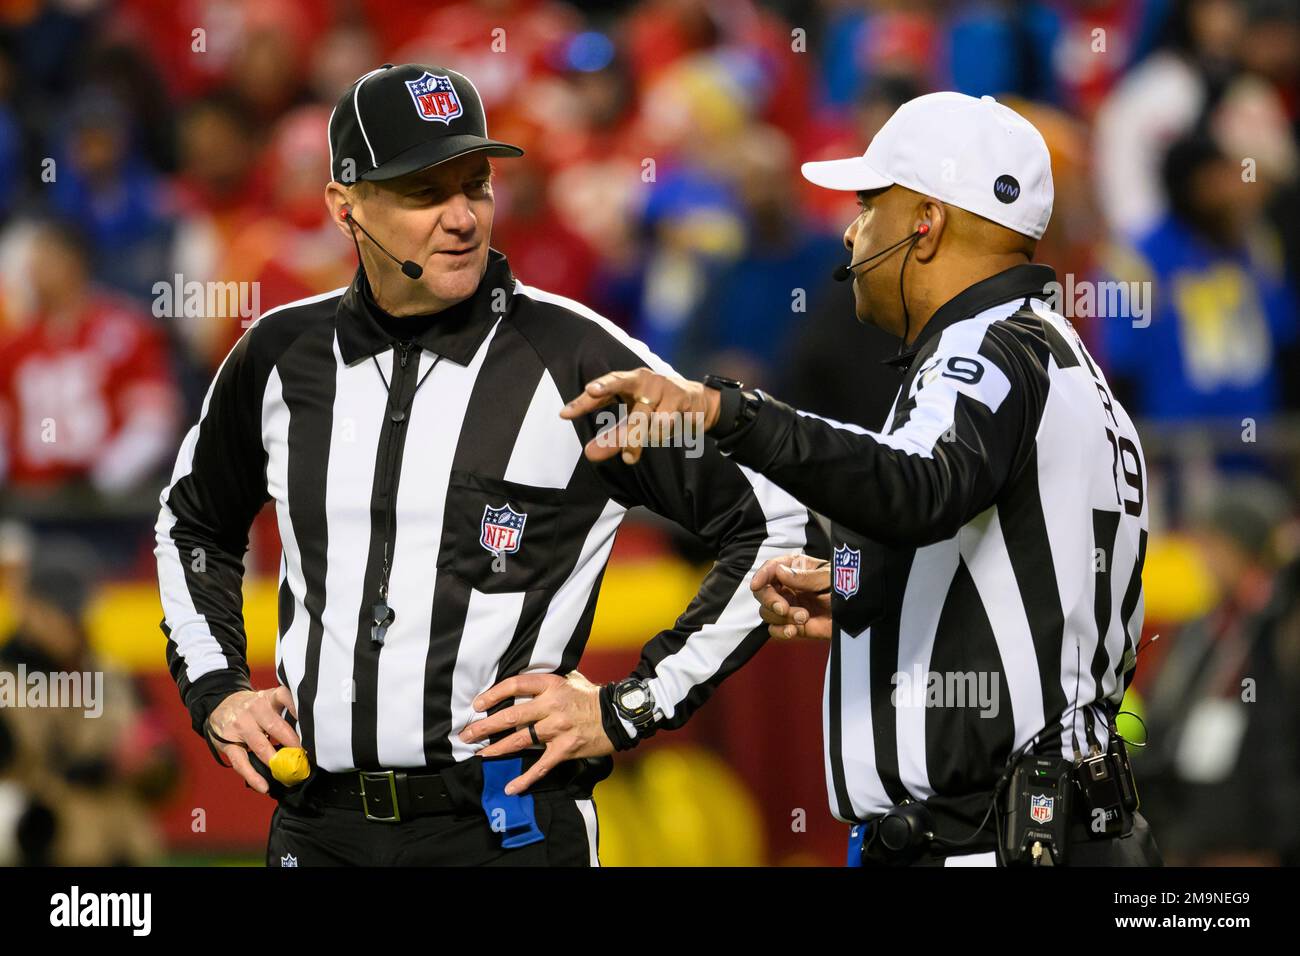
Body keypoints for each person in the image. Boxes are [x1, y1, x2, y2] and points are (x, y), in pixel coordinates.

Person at [153, 64, 819, 867]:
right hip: (316, 826)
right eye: (425, 192)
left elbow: (775, 522)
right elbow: (192, 521)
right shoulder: (278, 355)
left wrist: (629, 705)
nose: (463, 217)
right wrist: (217, 690)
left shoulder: (577, 359)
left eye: (476, 185)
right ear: (345, 207)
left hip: (505, 830)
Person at [555, 92, 1162, 866]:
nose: (849, 230)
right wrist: (858, 588)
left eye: (869, 204)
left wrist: (728, 410)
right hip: (1049, 824)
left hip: (984, 841)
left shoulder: (990, 348)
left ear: (925, 223)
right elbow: (1019, 570)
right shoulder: (1063, 361)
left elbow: (920, 487)